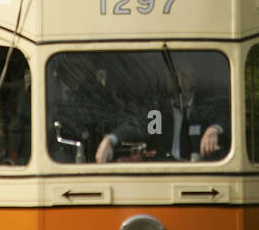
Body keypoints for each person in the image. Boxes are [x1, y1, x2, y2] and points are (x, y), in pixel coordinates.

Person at [95, 62, 228, 163]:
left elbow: (226, 118)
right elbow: (137, 124)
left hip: (199, 174)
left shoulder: (204, 106)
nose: (178, 82)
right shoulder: (159, 112)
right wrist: (110, 140)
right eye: (173, 76)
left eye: (184, 76)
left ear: (193, 80)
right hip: (165, 173)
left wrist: (214, 129)